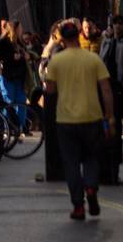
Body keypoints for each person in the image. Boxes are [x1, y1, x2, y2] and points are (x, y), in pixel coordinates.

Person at [44, 19, 115, 220]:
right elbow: (106, 90)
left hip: (65, 120)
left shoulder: (56, 61)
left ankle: (78, 206)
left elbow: (50, 90)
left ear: (63, 39)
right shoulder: (93, 59)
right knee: (92, 157)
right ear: (77, 36)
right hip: (92, 117)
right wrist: (109, 116)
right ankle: (91, 188)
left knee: (71, 162)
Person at [99, 15, 123, 184]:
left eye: (120, 24)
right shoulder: (107, 42)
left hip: (121, 87)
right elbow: (102, 61)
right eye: (115, 24)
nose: (117, 27)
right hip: (110, 89)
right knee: (112, 129)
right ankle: (112, 173)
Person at [0, 19, 29, 131]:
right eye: (20, 28)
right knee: (9, 101)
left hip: (19, 76)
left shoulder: (19, 42)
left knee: (21, 101)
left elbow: (25, 53)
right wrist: (12, 57)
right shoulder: (3, 41)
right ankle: (8, 126)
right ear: (14, 29)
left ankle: (21, 126)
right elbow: (0, 56)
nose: (22, 30)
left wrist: (26, 56)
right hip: (7, 75)